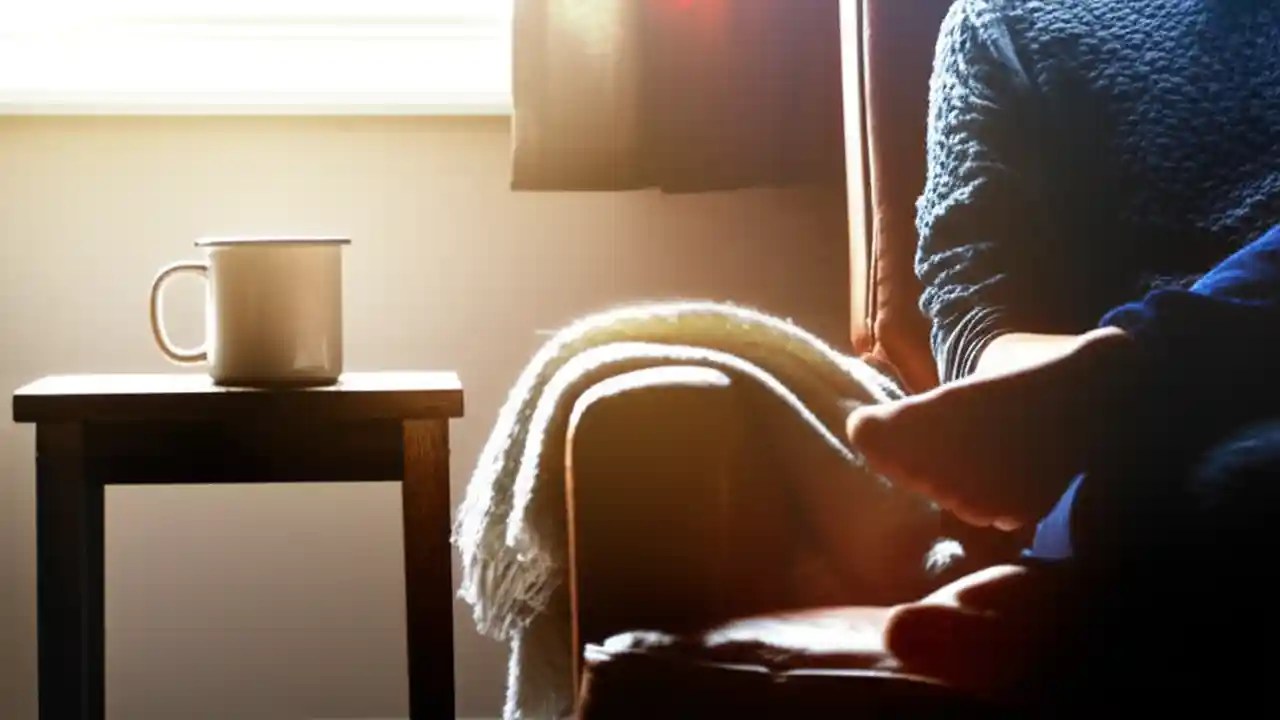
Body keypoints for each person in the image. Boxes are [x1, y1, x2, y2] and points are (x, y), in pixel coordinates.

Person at [844, 0, 1280, 710]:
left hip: (1134, 485)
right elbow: (981, 344)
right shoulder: (1006, 21)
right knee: (1244, 481)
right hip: (1149, 465)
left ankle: (1085, 581)